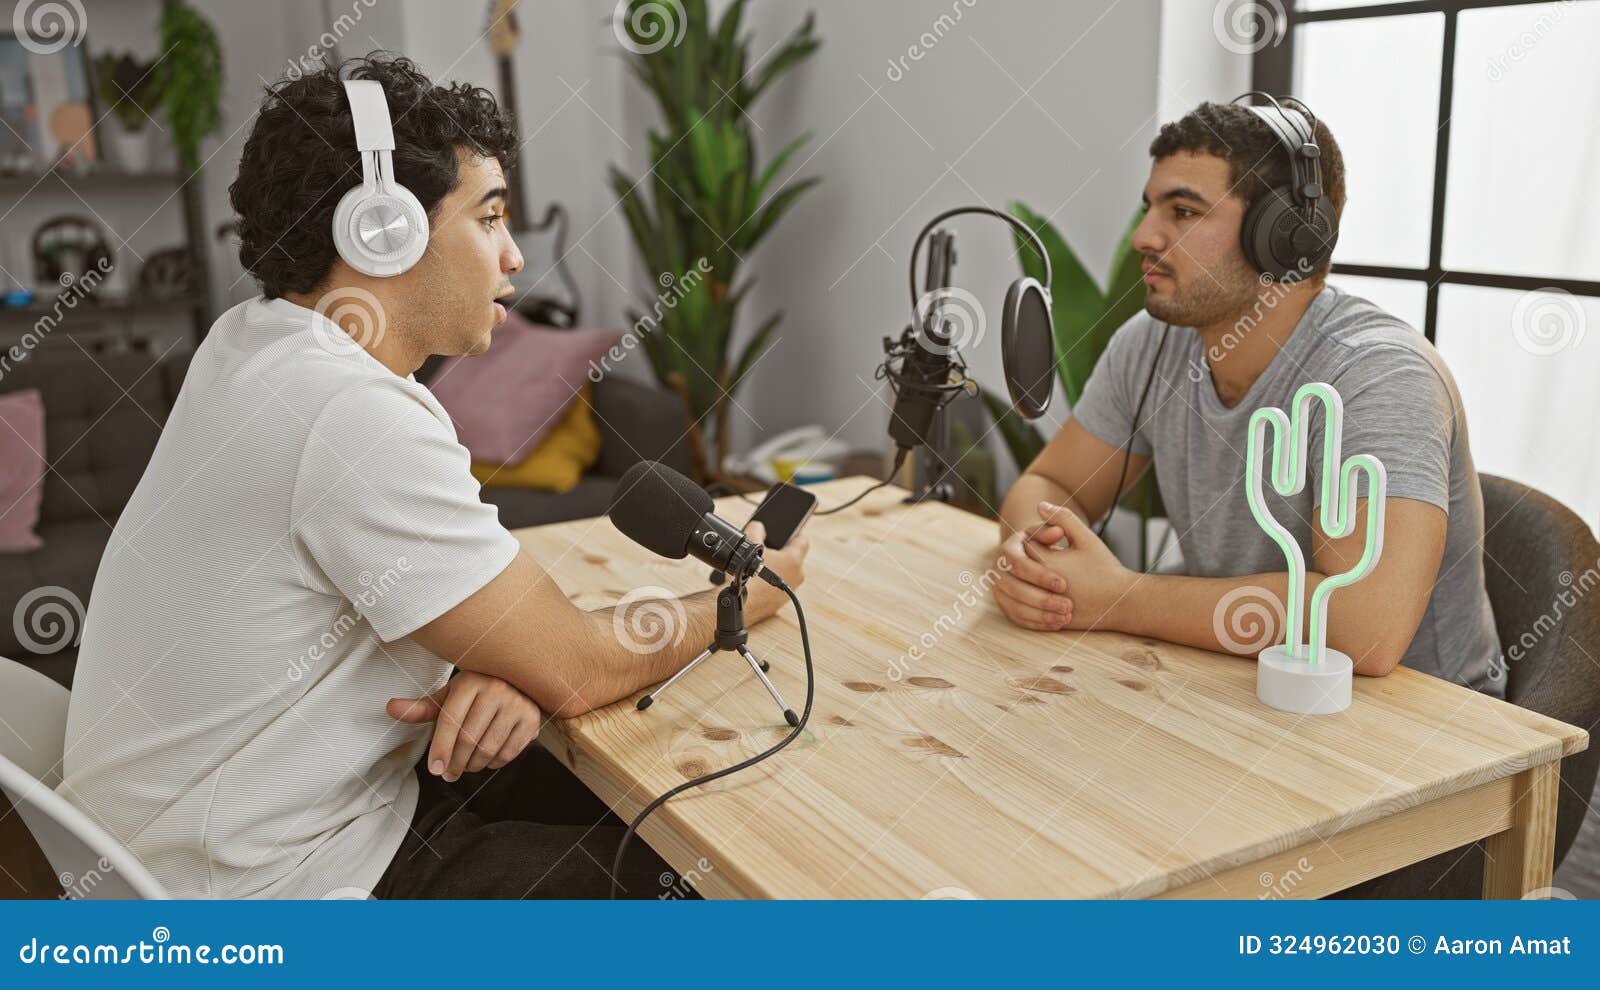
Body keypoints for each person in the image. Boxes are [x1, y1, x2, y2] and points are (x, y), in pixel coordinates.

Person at [59, 54, 809, 900]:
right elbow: (578, 669)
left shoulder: (250, 342)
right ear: (382, 231)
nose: (514, 256)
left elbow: (508, 638)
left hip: (176, 856)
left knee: (594, 780)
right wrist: (752, 596)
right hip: (268, 897)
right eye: (488, 218)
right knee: (707, 884)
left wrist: (503, 662)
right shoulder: (350, 413)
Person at [993, 99, 1500, 696]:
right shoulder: (1151, 344)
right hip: (1239, 686)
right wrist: (1041, 568)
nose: (1143, 237)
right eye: (1149, 208)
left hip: (1417, 732)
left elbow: (1367, 627)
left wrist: (1117, 598)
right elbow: (1051, 485)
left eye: (1183, 211)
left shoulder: (1380, 373)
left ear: (1283, 236)